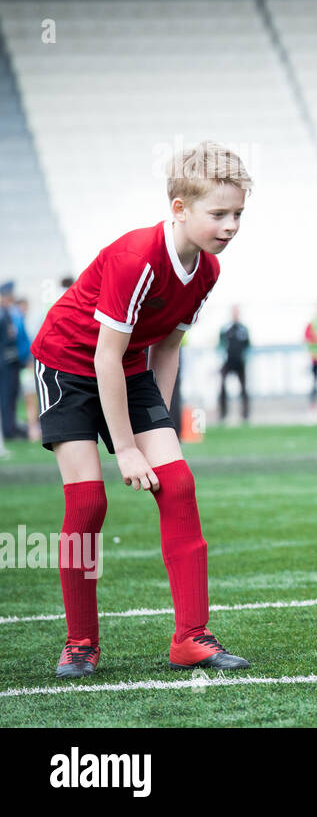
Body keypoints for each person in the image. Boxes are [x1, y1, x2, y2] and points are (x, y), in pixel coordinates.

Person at [29, 141, 253, 678]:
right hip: (68, 365)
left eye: (238, 214)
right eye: (218, 214)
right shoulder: (137, 259)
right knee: (88, 505)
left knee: (177, 485)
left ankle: (191, 638)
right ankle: (80, 643)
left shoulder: (207, 271)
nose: (230, 226)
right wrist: (126, 449)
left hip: (126, 369)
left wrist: (161, 424)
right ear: (179, 208)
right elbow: (104, 355)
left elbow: (167, 348)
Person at [0, 282, 27, 440]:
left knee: (11, 395)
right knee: (7, 395)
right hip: (6, 362)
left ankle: (11, 428)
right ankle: (8, 430)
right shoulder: (4, 313)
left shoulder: (8, 312)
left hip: (11, 361)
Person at [218, 305, 251, 424]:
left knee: (244, 388)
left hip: (240, 362)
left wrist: (245, 357)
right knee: (222, 386)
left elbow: (248, 345)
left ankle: (245, 415)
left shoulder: (244, 329)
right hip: (228, 361)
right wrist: (221, 355)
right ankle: (222, 414)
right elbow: (220, 344)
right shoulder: (225, 329)